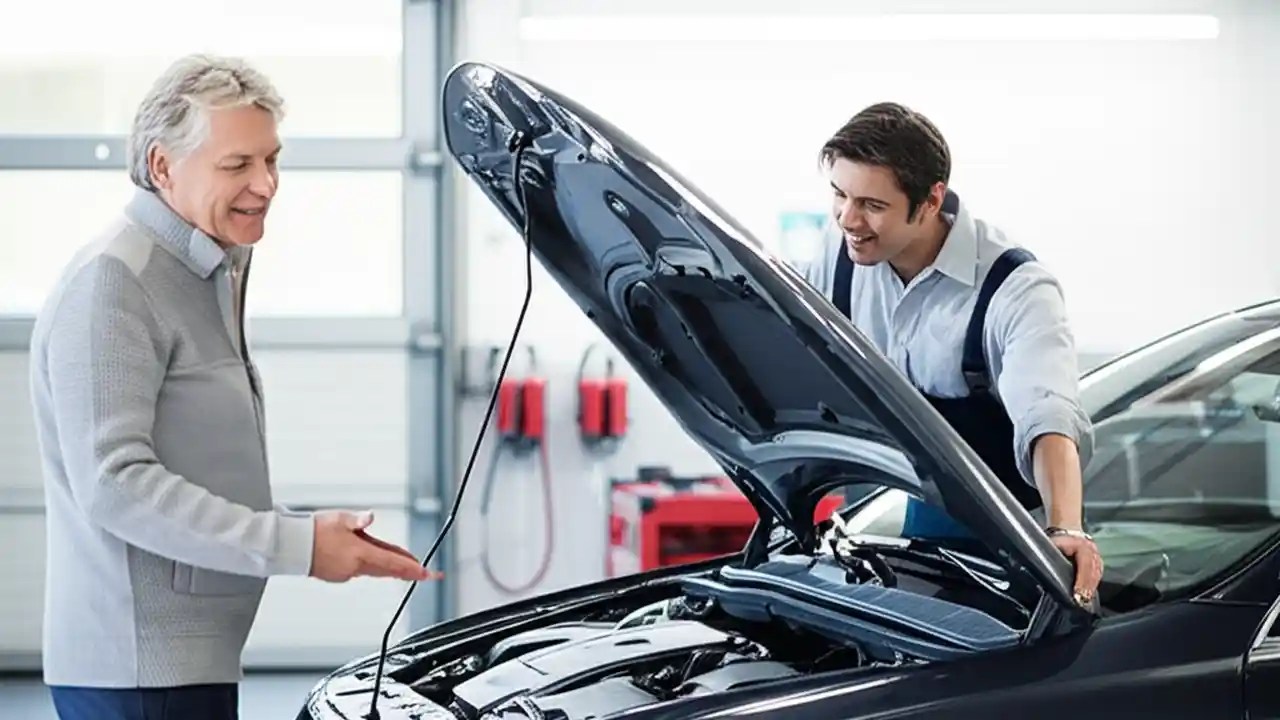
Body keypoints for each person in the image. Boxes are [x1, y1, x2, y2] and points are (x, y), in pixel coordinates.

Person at [28, 54, 437, 720]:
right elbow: (112, 481)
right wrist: (299, 546)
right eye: (237, 165)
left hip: (188, 664)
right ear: (162, 167)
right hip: (137, 673)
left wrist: (310, 534)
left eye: (272, 159)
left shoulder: (208, 262)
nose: (266, 183)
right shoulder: (114, 284)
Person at [796, 102, 1103, 603]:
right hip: (877, 536)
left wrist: (1065, 526)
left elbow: (1048, 413)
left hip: (1002, 556)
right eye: (839, 194)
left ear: (931, 200)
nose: (848, 219)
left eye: (872, 205)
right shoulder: (839, 260)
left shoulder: (1015, 288)